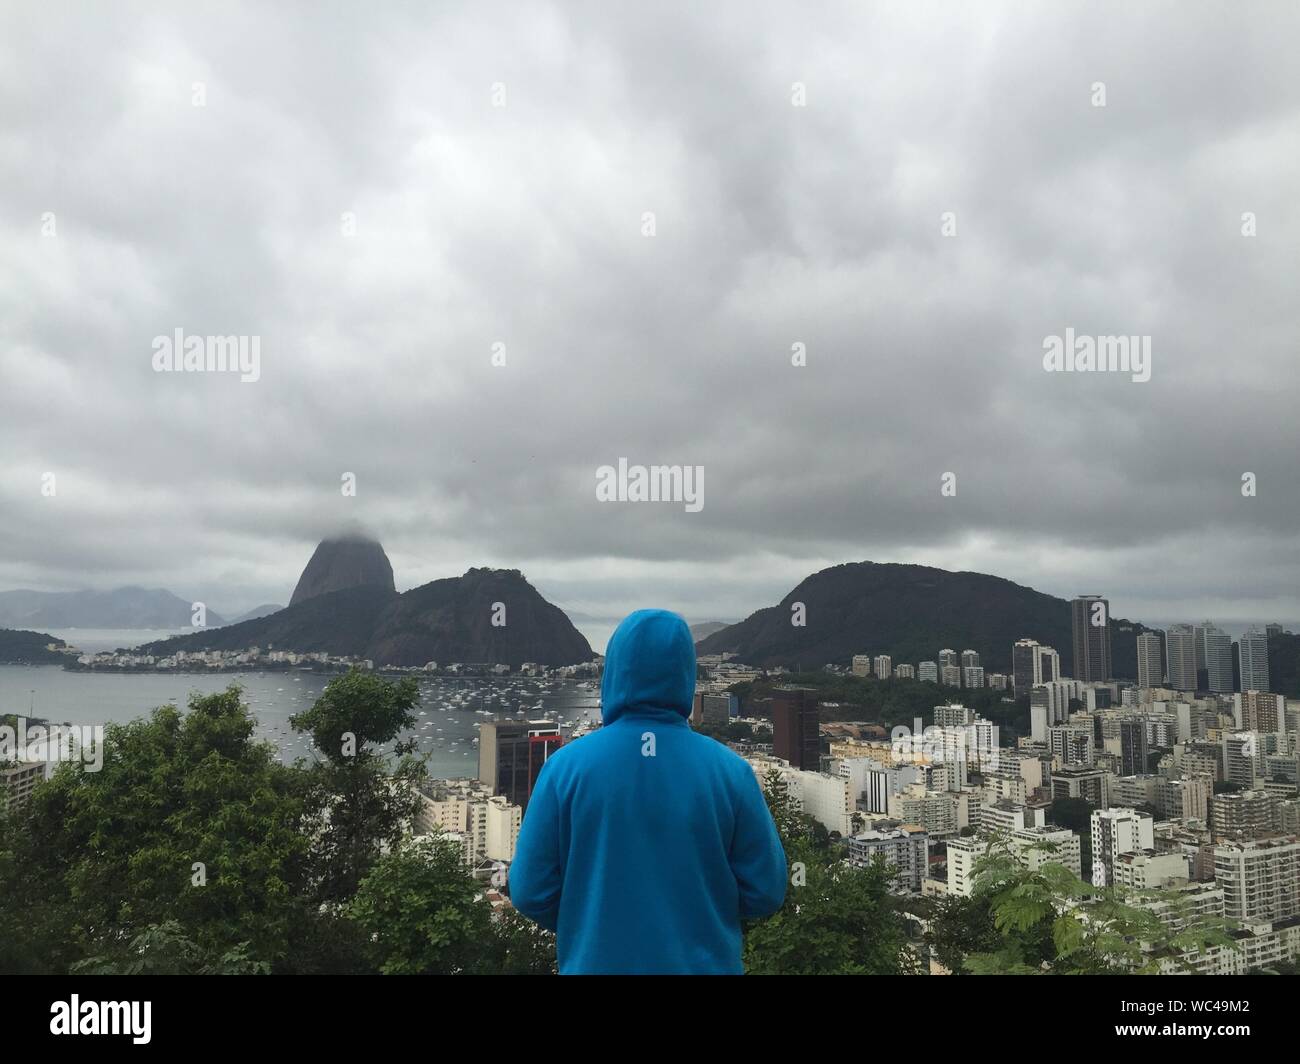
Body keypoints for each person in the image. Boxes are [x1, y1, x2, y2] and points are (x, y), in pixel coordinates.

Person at [509, 608, 787, 974]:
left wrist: (591, 921)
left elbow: (530, 890)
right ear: (686, 675)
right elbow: (766, 891)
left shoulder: (564, 769)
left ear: (613, 674)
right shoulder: (731, 772)